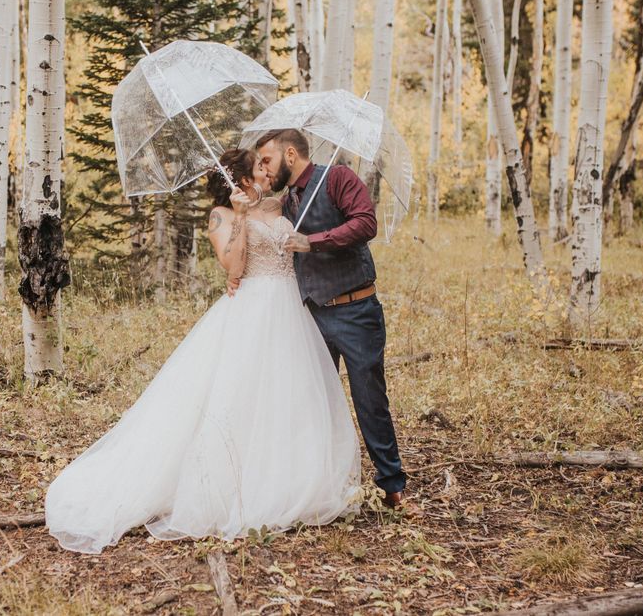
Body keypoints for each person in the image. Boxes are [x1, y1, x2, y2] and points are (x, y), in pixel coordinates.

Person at [44, 148, 361, 554]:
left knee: (287, 395)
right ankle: (230, 483)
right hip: (252, 308)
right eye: (259, 167)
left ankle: (291, 475)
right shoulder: (221, 215)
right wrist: (242, 217)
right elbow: (233, 269)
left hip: (290, 309)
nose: (267, 170)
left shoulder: (278, 203)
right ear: (242, 180)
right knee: (237, 396)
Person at [250, 129, 409, 509]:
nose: (265, 170)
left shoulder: (337, 178)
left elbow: (364, 223)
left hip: (355, 311)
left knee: (369, 400)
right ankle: (320, 488)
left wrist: (313, 241)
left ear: (291, 154)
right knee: (313, 401)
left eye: (267, 161)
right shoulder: (288, 201)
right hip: (311, 317)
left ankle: (393, 487)